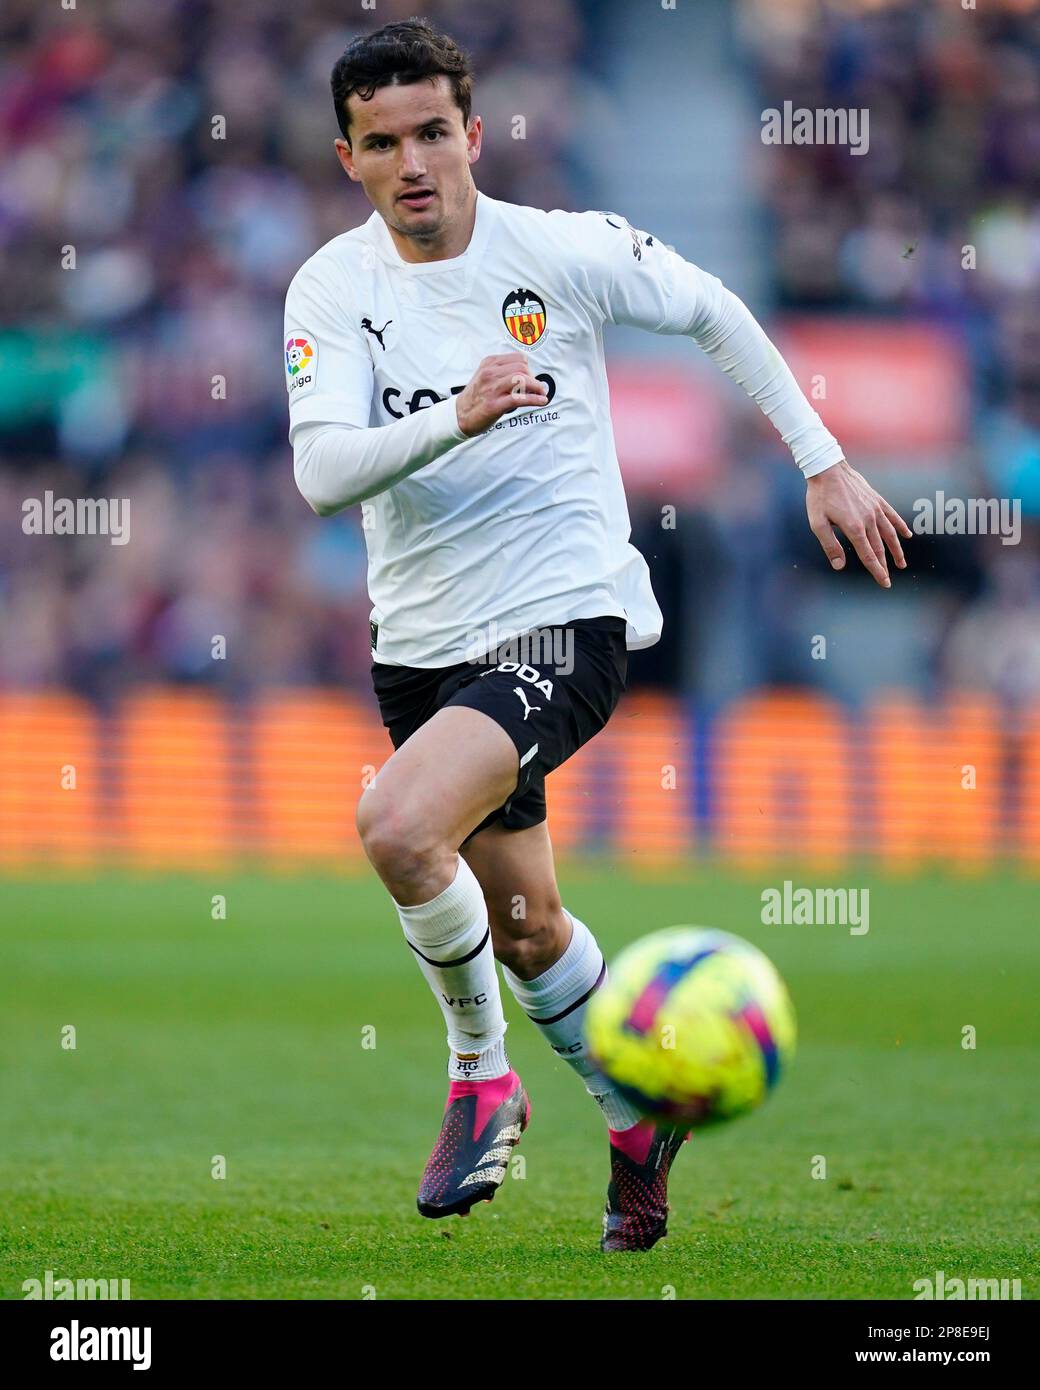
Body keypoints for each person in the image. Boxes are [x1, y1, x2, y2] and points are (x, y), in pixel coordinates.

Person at [283, 18, 910, 1251]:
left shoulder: (557, 253)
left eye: (429, 134)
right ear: (346, 157)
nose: (411, 163)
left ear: (471, 132)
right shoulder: (330, 289)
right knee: (524, 930)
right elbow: (320, 475)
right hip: (421, 644)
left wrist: (821, 461)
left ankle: (481, 1078)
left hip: (567, 619)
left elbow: (711, 308)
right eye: (379, 143)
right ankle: (635, 1114)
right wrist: (453, 419)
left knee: (399, 826)